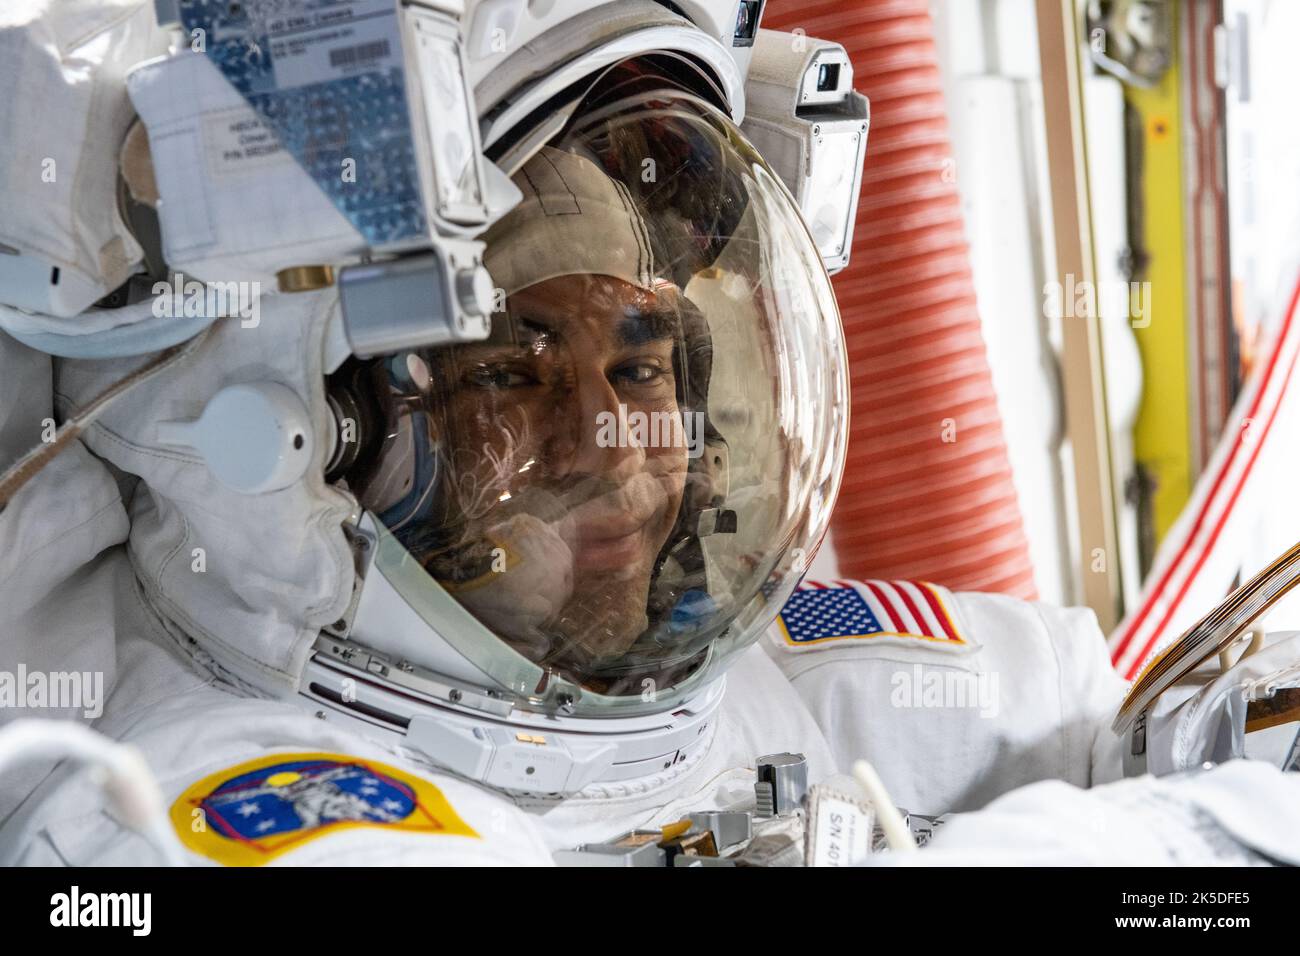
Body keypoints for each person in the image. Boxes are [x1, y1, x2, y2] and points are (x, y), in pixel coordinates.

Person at [2, 10, 1299, 868]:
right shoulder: (189, 809)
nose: (611, 439)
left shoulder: (771, 676)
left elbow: (1117, 721)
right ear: (299, 449)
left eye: (639, 357)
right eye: (512, 369)